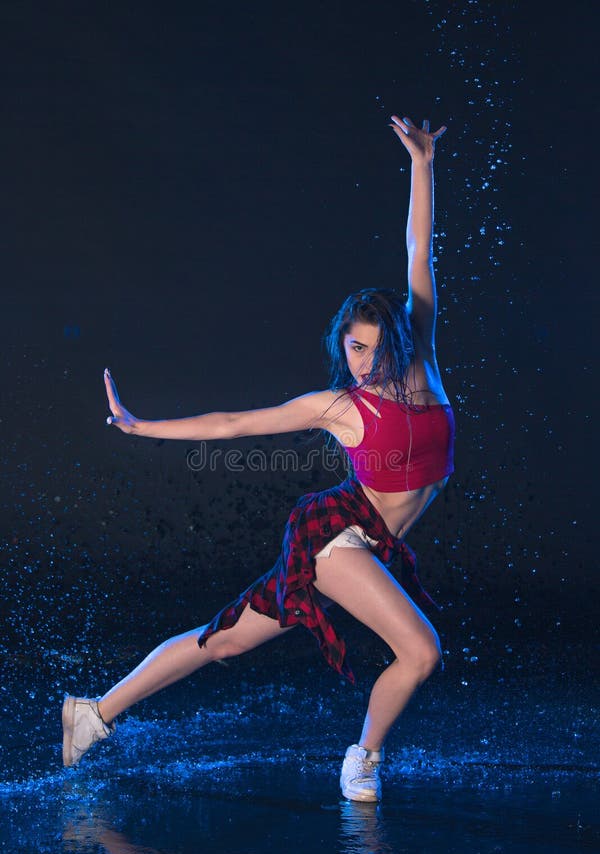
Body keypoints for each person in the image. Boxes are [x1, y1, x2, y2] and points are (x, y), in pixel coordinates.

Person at [62, 114, 454, 803]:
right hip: (337, 544)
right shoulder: (340, 407)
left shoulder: (424, 366)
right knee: (420, 653)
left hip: (370, 545)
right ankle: (362, 758)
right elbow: (235, 422)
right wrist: (139, 426)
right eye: (352, 348)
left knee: (227, 642)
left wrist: (422, 163)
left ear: (398, 338)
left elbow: (418, 253)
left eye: (372, 346)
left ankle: (92, 712)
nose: (361, 360)